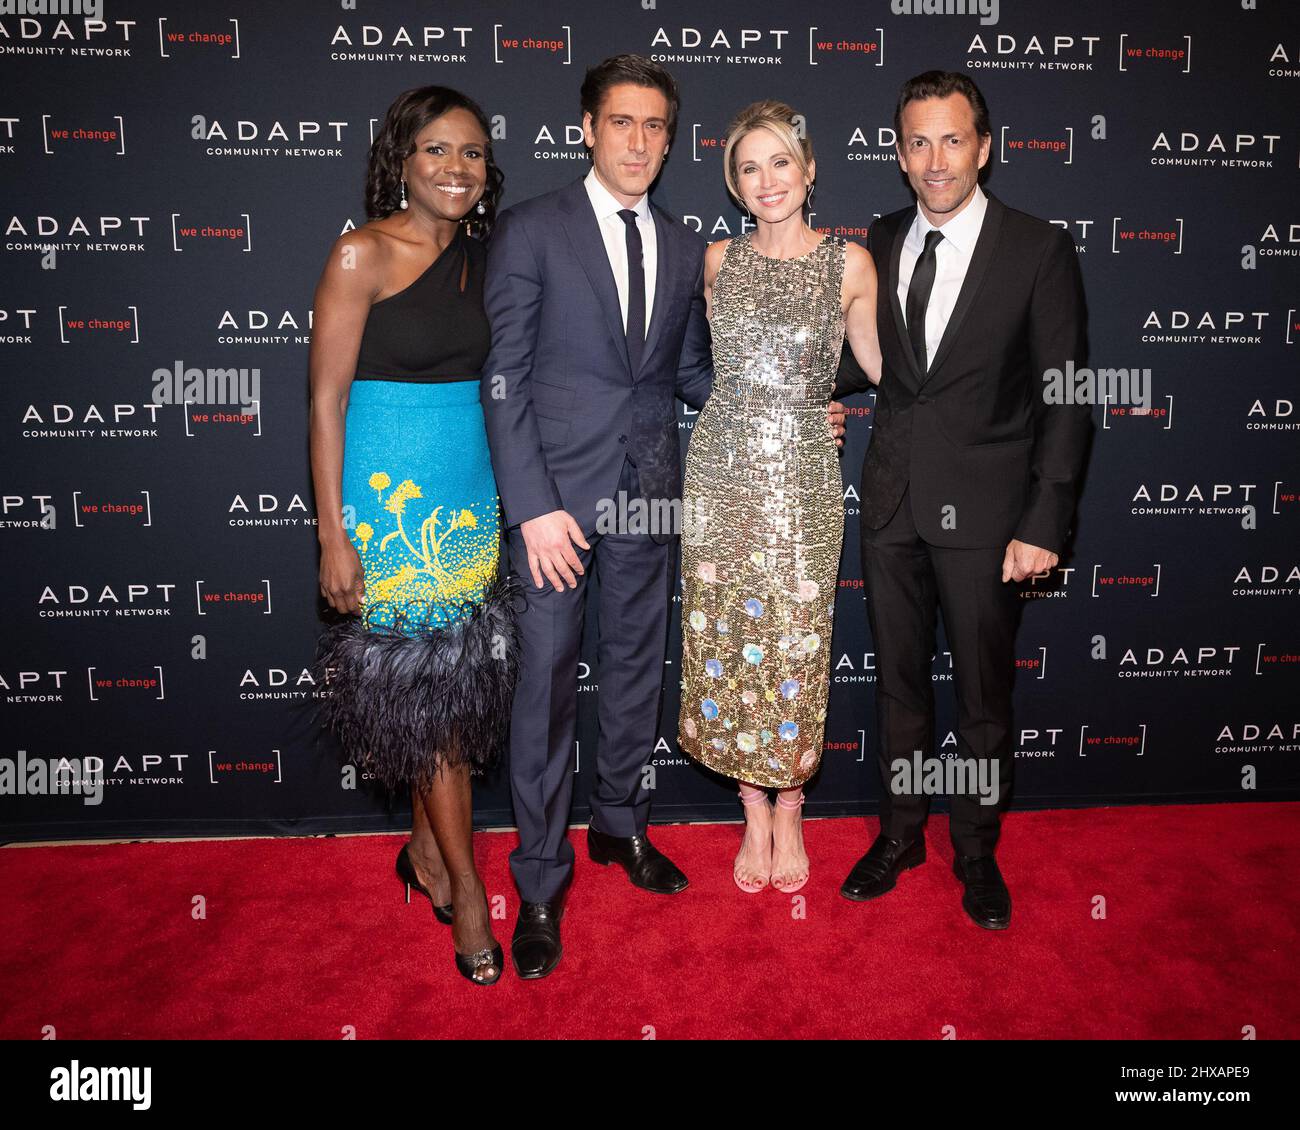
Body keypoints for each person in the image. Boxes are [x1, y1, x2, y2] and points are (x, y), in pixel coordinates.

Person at [480, 54, 850, 979]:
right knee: (548, 689)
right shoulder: (530, 230)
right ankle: (537, 881)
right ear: (586, 129)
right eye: (621, 123)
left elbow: (691, 373)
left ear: (670, 139)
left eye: (655, 127)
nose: (638, 142)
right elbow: (504, 381)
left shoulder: (691, 247)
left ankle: (621, 829)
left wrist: (792, 403)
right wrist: (531, 509)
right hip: (554, 507)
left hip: (653, 488)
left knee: (639, 671)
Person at [834, 71, 1090, 929]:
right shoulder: (879, 236)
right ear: (899, 154)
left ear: (985, 146)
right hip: (894, 502)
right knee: (900, 690)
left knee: (983, 696)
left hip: (988, 515)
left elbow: (1065, 395)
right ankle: (902, 834)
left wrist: (1043, 520)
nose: (935, 159)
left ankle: (976, 851)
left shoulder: (1037, 248)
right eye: (917, 142)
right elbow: (872, 365)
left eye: (952, 140)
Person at [309, 86, 518, 985]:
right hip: (390, 510)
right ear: (402, 158)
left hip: (469, 501)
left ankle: (426, 856)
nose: (455, 169)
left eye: (472, 154)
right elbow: (325, 400)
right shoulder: (361, 255)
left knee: (454, 697)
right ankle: (467, 892)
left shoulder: (485, 254)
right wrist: (333, 533)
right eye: (437, 151)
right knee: (427, 701)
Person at [677, 101, 880, 896]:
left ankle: (791, 803)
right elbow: (685, 366)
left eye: (780, 163)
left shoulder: (849, 262)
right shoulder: (715, 261)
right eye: (748, 167)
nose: (767, 181)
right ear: (734, 181)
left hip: (800, 477)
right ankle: (751, 806)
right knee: (724, 637)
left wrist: (833, 399)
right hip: (721, 471)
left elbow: (883, 367)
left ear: (809, 169)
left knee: (796, 638)